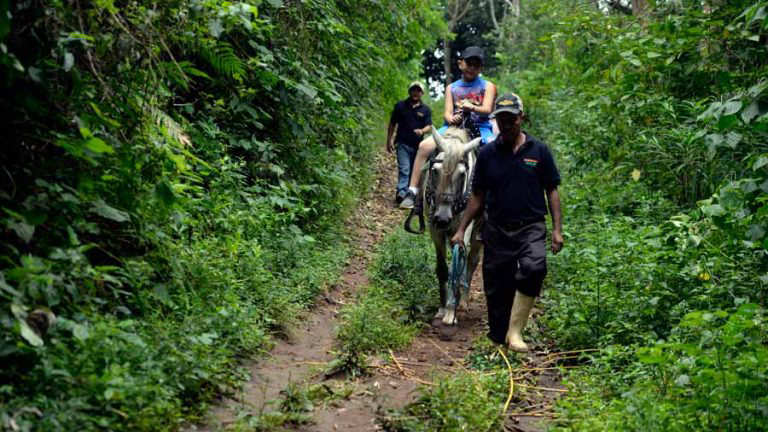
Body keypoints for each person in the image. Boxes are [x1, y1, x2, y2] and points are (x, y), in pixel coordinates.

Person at [450, 93, 564, 352]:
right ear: (496, 122)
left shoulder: (539, 151)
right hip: (497, 228)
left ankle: (516, 331)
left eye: (511, 119)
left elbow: (552, 190)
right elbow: (477, 196)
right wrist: (461, 229)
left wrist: (557, 230)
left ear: (521, 118)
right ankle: (501, 336)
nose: (507, 124)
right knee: (497, 287)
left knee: (534, 267)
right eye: (501, 120)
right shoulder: (488, 154)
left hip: (531, 226)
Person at [399, 46, 497, 209]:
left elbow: (487, 109)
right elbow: (447, 113)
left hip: (481, 127)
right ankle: (413, 191)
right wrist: (452, 118)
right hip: (452, 128)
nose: (472, 68)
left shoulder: (488, 86)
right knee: (424, 146)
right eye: (469, 63)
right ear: (460, 64)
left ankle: (492, 197)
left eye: (476, 65)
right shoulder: (451, 88)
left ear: (481, 68)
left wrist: (471, 108)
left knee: (494, 151)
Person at [387, 81, 432, 204]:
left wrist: (422, 131)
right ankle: (401, 193)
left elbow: (429, 126)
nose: (415, 93)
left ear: (422, 93)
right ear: (409, 91)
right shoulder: (400, 106)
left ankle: (410, 194)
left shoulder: (426, 109)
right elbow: (392, 123)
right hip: (402, 143)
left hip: (418, 147)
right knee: (404, 168)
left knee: (413, 170)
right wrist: (389, 140)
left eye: (418, 90)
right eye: (413, 90)